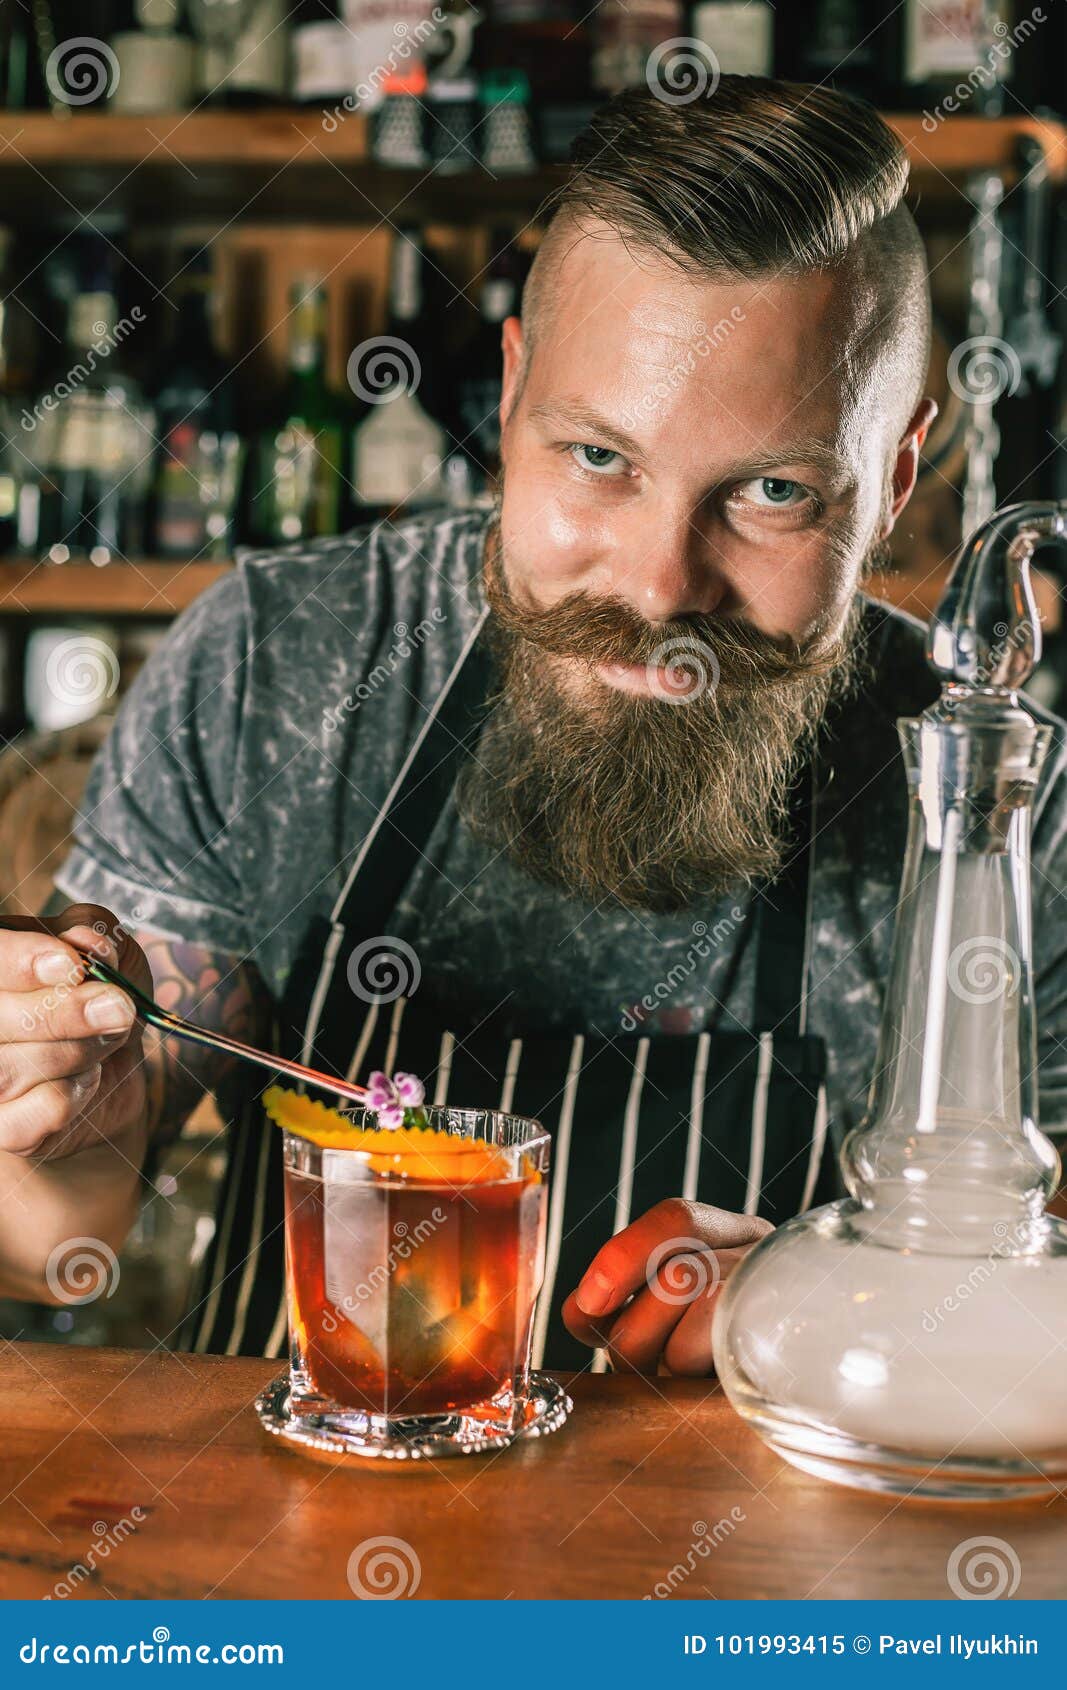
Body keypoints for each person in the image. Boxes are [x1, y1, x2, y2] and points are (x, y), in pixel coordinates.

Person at [1, 79, 1065, 1377]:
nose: (663, 585)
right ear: (511, 400)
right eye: (599, 459)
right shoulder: (277, 665)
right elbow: (59, 1237)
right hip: (291, 1549)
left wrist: (840, 1293)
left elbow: (1040, 1293)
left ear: (897, 475)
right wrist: (56, 1127)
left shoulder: (991, 808)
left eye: (775, 491)